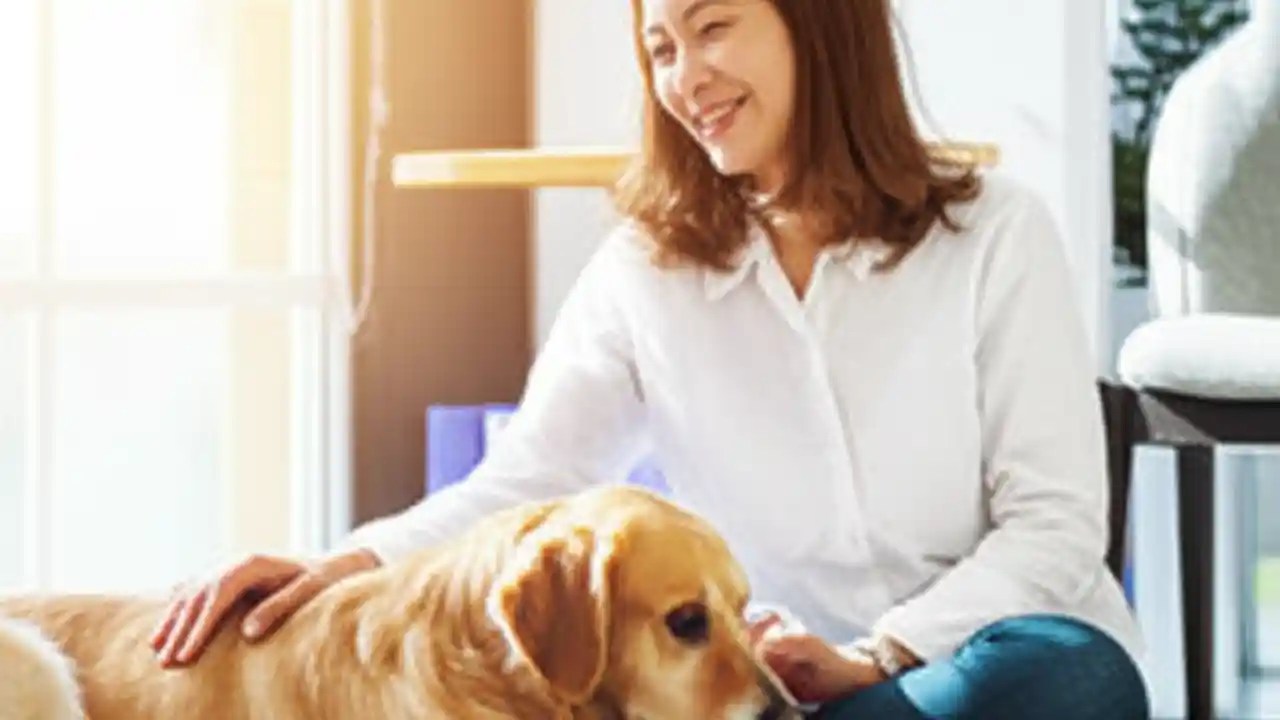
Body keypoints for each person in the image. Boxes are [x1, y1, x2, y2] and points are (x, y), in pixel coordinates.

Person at [150, 1, 1151, 717]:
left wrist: (874, 655)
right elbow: (527, 479)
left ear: (817, 22)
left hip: (967, 669)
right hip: (761, 692)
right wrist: (342, 565)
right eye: (659, 47)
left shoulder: (994, 235)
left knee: (1070, 675)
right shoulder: (647, 267)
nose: (684, 78)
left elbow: (1055, 523)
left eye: (712, 28)